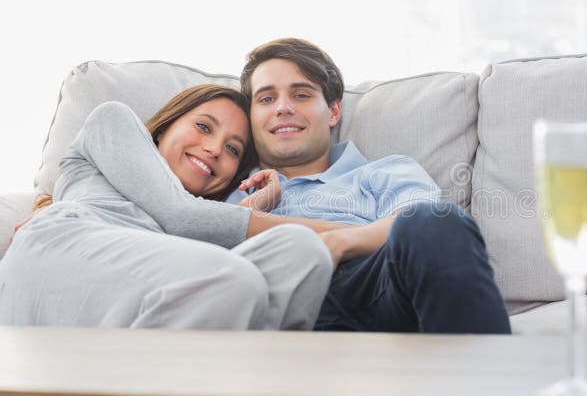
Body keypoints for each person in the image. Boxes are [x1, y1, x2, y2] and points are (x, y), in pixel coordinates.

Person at [228, 38, 512, 334]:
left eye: (301, 95)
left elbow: (417, 221)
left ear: (334, 112)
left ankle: (483, 374)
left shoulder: (384, 172)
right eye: (266, 99)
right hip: (279, 299)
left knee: (433, 220)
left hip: (376, 287)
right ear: (251, 117)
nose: (283, 108)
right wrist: (255, 206)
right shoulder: (234, 189)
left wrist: (338, 243)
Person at [0, 84, 337, 330]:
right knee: (232, 280)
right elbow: (180, 215)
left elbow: (190, 220)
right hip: (67, 244)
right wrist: (360, 234)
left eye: (233, 150)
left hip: (142, 286)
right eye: (204, 127)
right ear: (163, 129)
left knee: (303, 253)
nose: (215, 149)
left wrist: (255, 203)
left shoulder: (191, 235)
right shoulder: (112, 121)